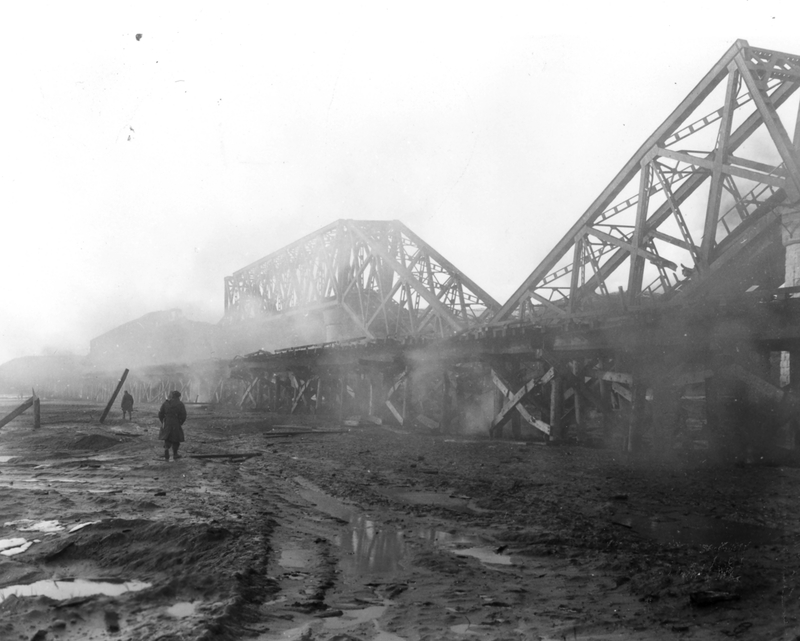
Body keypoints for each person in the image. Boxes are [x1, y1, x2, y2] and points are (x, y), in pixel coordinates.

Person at [158, 390, 187, 461]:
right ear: (178, 396)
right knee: (176, 438)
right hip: (175, 422)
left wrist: (163, 421)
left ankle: (166, 449)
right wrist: (180, 422)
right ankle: (175, 454)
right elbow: (183, 415)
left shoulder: (166, 403)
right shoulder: (180, 404)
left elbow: (160, 413)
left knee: (167, 437)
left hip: (167, 422)